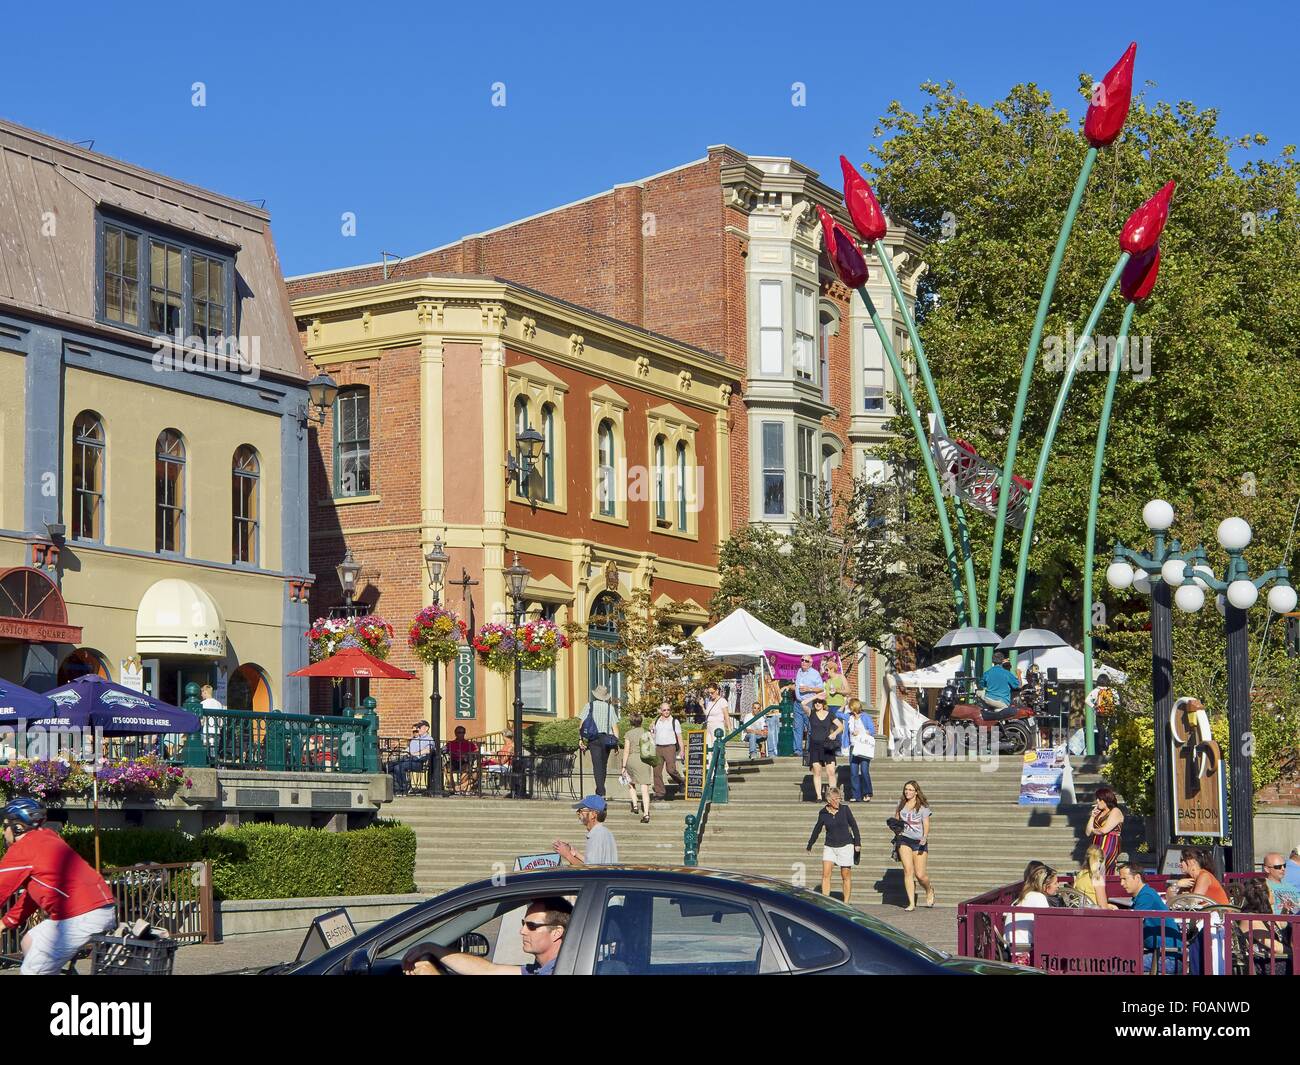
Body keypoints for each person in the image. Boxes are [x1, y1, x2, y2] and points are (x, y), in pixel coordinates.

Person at [0, 799, 117, 974]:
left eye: (5, 826)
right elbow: (35, 893)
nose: (3, 832)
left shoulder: (24, 848)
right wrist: (6, 922)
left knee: (33, 970)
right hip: (92, 911)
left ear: (17, 827)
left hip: (81, 916)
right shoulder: (47, 838)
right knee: (30, 941)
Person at [415, 898, 573, 975]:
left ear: (556, 932)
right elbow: (490, 970)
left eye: (531, 926)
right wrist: (430, 947)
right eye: (523, 923)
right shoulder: (546, 968)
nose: (522, 931)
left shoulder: (557, 971)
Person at [1118, 863, 1182, 974]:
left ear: (1137, 877)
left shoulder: (1146, 896)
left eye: (1125, 879)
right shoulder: (1145, 894)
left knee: (1119, 966)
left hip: (1168, 958)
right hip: (1163, 955)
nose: (1121, 883)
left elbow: (1130, 926)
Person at [806, 787, 860, 903]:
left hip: (846, 844)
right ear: (829, 800)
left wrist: (858, 843)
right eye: (835, 799)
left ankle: (846, 903)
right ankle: (825, 901)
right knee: (826, 874)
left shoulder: (845, 809)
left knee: (845, 874)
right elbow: (817, 829)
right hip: (830, 845)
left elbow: (854, 825)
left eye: (839, 799)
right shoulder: (823, 813)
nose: (838, 802)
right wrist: (810, 844)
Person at [1003, 865, 1055, 964]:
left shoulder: (1025, 895)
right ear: (1044, 885)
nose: (1058, 886)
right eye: (1056, 883)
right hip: (1022, 947)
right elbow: (1047, 925)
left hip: (1010, 944)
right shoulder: (1038, 897)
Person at [896, 780, 934, 911]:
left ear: (916, 792)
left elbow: (926, 824)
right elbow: (897, 820)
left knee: (920, 875)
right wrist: (895, 828)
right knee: (908, 871)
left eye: (911, 790)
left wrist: (925, 836)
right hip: (904, 840)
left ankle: (929, 890)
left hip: (919, 842)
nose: (907, 792)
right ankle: (911, 903)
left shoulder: (923, 807)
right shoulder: (901, 804)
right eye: (906, 789)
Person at [580, 684, 621, 797]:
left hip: (593, 738)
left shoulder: (588, 706)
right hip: (606, 739)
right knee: (603, 764)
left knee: (597, 765)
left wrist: (581, 739)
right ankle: (600, 790)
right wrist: (616, 743)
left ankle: (600, 791)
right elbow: (615, 727)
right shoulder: (610, 708)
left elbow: (582, 725)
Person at [553, 795, 618, 865]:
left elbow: (591, 870)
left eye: (581, 810)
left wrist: (567, 854)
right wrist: (575, 853)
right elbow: (592, 864)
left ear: (593, 814)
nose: (578, 813)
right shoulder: (604, 832)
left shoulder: (597, 835)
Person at [806, 697, 842, 803]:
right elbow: (803, 703)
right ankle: (819, 796)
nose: (817, 704)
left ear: (823, 703)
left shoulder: (830, 714)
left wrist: (834, 734)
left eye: (820, 702)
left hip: (827, 746)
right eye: (816, 702)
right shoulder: (811, 713)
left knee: (830, 771)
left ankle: (833, 796)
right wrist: (814, 696)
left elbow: (840, 726)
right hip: (815, 746)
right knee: (817, 771)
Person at [620, 714, 654, 823]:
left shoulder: (628, 734)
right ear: (641, 721)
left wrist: (624, 766)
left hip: (632, 759)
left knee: (631, 783)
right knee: (645, 789)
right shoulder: (646, 733)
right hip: (644, 760)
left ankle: (635, 805)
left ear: (631, 723)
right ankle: (646, 814)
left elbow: (626, 750)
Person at [1086, 786, 1124, 875]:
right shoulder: (1098, 812)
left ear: (1106, 799)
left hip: (1109, 842)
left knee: (1103, 868)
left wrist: (1093, 830)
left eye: (1099, 799)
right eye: (1097, 799)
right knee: (1094, 870)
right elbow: (1087, 832)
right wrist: (1092, 816)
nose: (1097, 801)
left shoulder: (1115, 811)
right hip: (1096, 844)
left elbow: (1104, 830)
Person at [650, 702, 684, 800]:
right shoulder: (656, 721)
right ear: (660, 710)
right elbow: (653, 736)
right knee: (656, 771)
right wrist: (651, 730)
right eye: (664, 710)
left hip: (670, 747)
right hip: (658, 747)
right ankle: (659, 793)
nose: (666, 712)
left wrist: (682, 751)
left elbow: (679, 737)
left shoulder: (674, 722)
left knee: (671, 769)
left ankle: (681, 781)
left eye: (668, 710)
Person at [392, 720, 433, 795]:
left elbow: (428, 750)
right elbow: (408, 750)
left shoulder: (429, 739)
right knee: (390, 765)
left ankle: (404, 789)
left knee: (399, 767)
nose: (418, 729)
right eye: (417, 727)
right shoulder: (414, 740)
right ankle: (396, 788)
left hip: (419, 762)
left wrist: (415, 754)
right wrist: (398, 753)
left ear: (426, 728)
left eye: (419, 727)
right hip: (409, 760)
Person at [846, 699, 875, 802]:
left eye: (850, 706)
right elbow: (837, 714)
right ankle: (856, 795)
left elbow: (872, 730)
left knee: (864, 770)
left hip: (864, 746)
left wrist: (862, 732)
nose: (850, 709)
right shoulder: (849, 717)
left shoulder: (865, 716)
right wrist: (843, 703)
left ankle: (867, 793)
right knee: (853, 772)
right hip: (854, 746)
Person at [1084, 673, 1118, 753]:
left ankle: (1103, 752)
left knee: (1101, 733)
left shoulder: (1096, 691)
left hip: (1100, 715)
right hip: (1111, 715)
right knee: (1111, 733)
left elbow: (1087, 700)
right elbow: (1118, 702)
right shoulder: (1112, 691)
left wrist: (1094, 707)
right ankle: (1111, 750)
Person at [823, 657, 850, 757]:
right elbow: (826, 694)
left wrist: (837, 691)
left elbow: (848, 691)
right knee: (828, 728)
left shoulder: (841, 677)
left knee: (838, 727)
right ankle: (829, 748)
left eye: (827, 669)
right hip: (827, 706)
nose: (826, 672)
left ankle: (838, 749)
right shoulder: (827, 681)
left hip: (838, 705)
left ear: (832, 669)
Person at [446, 726, 480, 793]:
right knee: (446, 768)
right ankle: (453, 787)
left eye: (463, 732)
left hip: (464, 762)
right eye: (459, 732)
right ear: (455, 733)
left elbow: (477, 751)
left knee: (467, 768)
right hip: (453, 761)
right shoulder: (450, 743)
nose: (461, 734)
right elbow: (444, 750)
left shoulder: (469, 743)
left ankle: (459, 787)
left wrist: (468, 754)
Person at [702, 682, 731, 753]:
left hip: (718, 727)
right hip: (709, 727)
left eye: (712, 692)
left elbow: (726, 716)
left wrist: (730, 729)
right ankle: (710, 763)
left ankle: (721, 763)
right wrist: (702, 706)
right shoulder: (709, 701)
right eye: (709, 693)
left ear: (717, 691)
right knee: (708, 748)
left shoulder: (722, 701)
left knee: (717, 748)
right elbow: (707, 714)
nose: (710, 694)